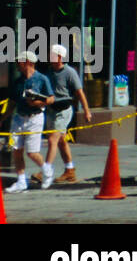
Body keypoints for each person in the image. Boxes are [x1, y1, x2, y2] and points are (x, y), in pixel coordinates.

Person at [44, 43, 91, 184]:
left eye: (52, 54)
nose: (49, 56)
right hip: (51, 110)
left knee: (52, 140)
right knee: (61, 141)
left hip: (63, 111)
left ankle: (46, 171)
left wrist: (87, 111)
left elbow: (79, 92)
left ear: (60, 57)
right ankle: (70, 170)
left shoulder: (70, 72)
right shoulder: (49, 72)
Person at [5, 52, 53, 192]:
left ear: (28, 62)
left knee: (32, 152)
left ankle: (46, 170)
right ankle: (21, 181)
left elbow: (51, 99)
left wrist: (38, 102)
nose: (17, 64)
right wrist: (3, 118)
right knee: (16, 150)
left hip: (35, 117)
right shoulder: (18, 81)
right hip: (19, 118)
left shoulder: (42, 79)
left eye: (20, 61)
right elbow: (12, 102)